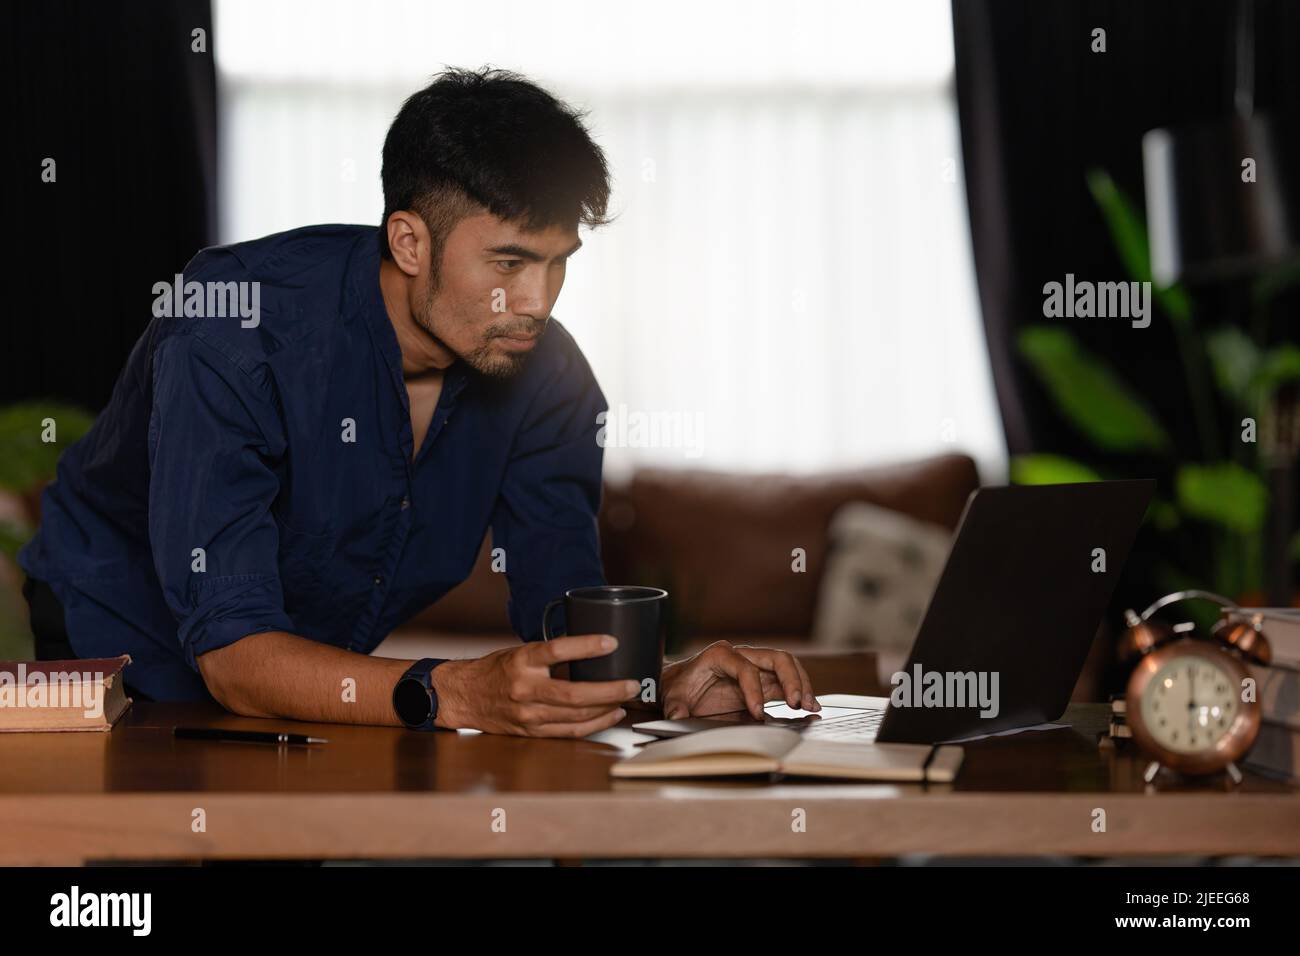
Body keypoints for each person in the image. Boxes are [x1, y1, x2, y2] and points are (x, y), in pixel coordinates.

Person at [18, 66, 819, 736]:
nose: (537, 302)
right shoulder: (233, 327)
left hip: (306, 661)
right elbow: (235, 657)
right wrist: (458, 689)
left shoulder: (551, 377)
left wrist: (658, 684)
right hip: (117, 643)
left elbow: (559, 610)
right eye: (508, 263)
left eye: (557, 262)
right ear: (409, 242)